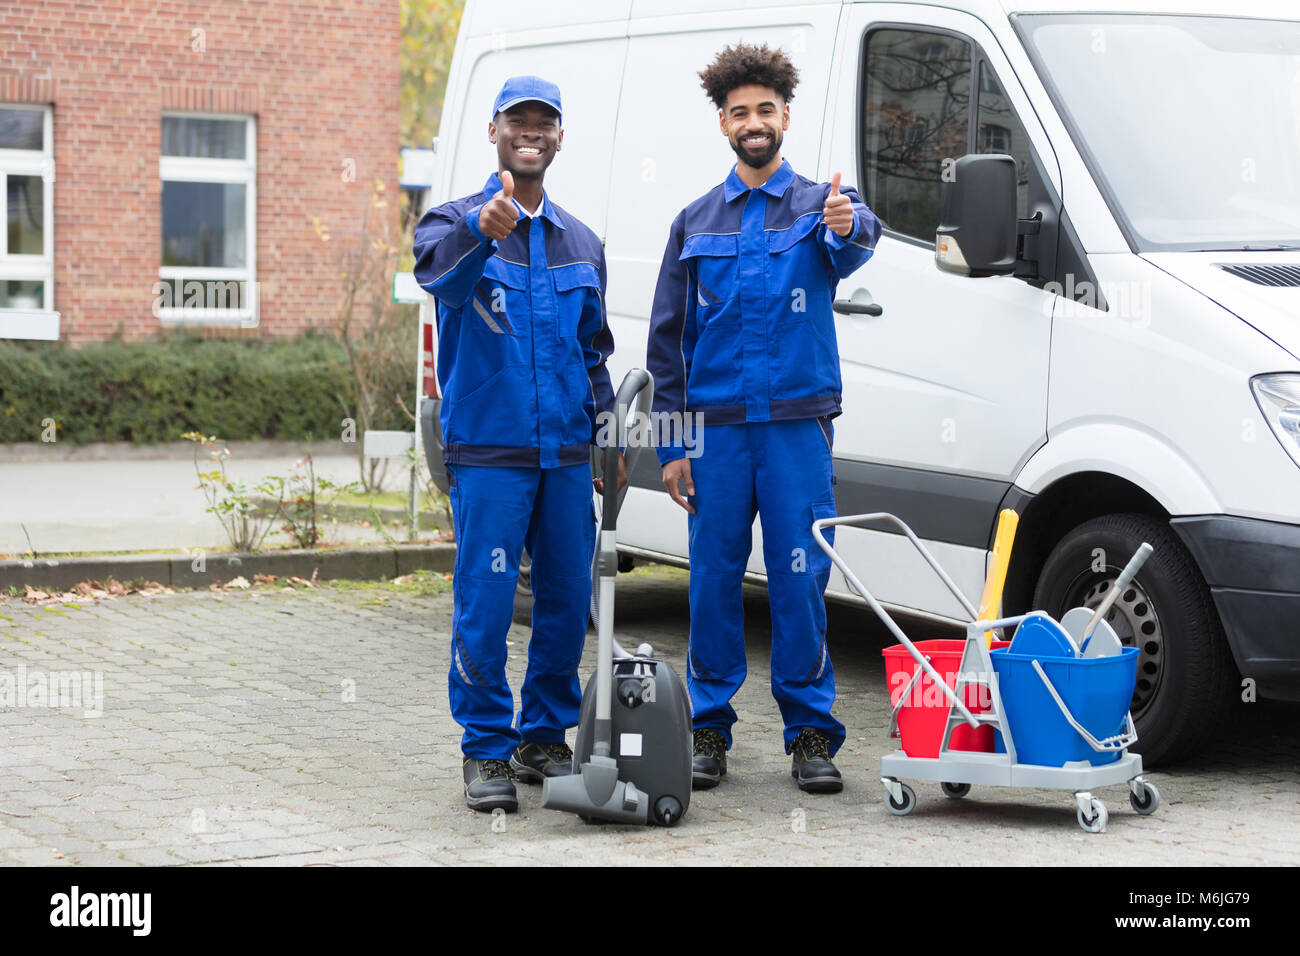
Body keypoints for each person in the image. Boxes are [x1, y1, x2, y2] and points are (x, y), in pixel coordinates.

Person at [646, 44, 882, 793]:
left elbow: (857, 240)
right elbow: (668, 342)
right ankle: (707, 731)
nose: (754, 123)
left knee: (800, 577)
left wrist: (847, 223)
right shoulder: (693, 222)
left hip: (794, 429)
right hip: (714, 434)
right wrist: (672, 445)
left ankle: (811, 732)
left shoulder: (820, 207)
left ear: (786, 117)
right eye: (740, 112)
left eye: (766, 110)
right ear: (723, 123)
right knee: (712, 581)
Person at [413, 76, 623, 813]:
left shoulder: (582, 241)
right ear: (495, 131)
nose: (531, 132)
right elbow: (435, 274)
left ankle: (542, 735)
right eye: (518, 121)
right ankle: (485, 750)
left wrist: (608, 436)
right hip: (491, 452)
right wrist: (482, 230)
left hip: (565, 456)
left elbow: (591, 353)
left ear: (559, 137)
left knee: (566, 601)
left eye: (545, 123)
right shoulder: (451, 221)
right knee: (487, 601)